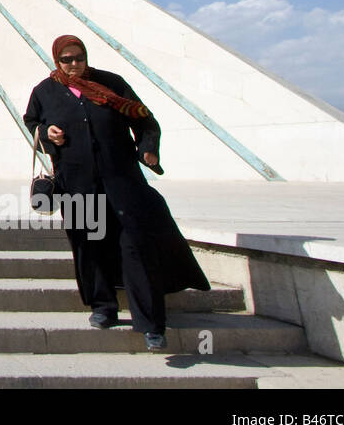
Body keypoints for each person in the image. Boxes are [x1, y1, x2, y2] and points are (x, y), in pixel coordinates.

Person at [23, 34, 209, 351]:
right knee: (88, 245)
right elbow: (33, 124)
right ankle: (103, 307)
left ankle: (151, 324)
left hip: (122, 182)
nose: (73, 64)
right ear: (57, 60)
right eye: (66, 59)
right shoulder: (45, 92)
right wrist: (47, 133)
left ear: (86, 56)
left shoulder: (111, 84)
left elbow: (145, 121)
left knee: (136, 247)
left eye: (78, 57)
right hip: (78, 184)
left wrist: (148, 149)